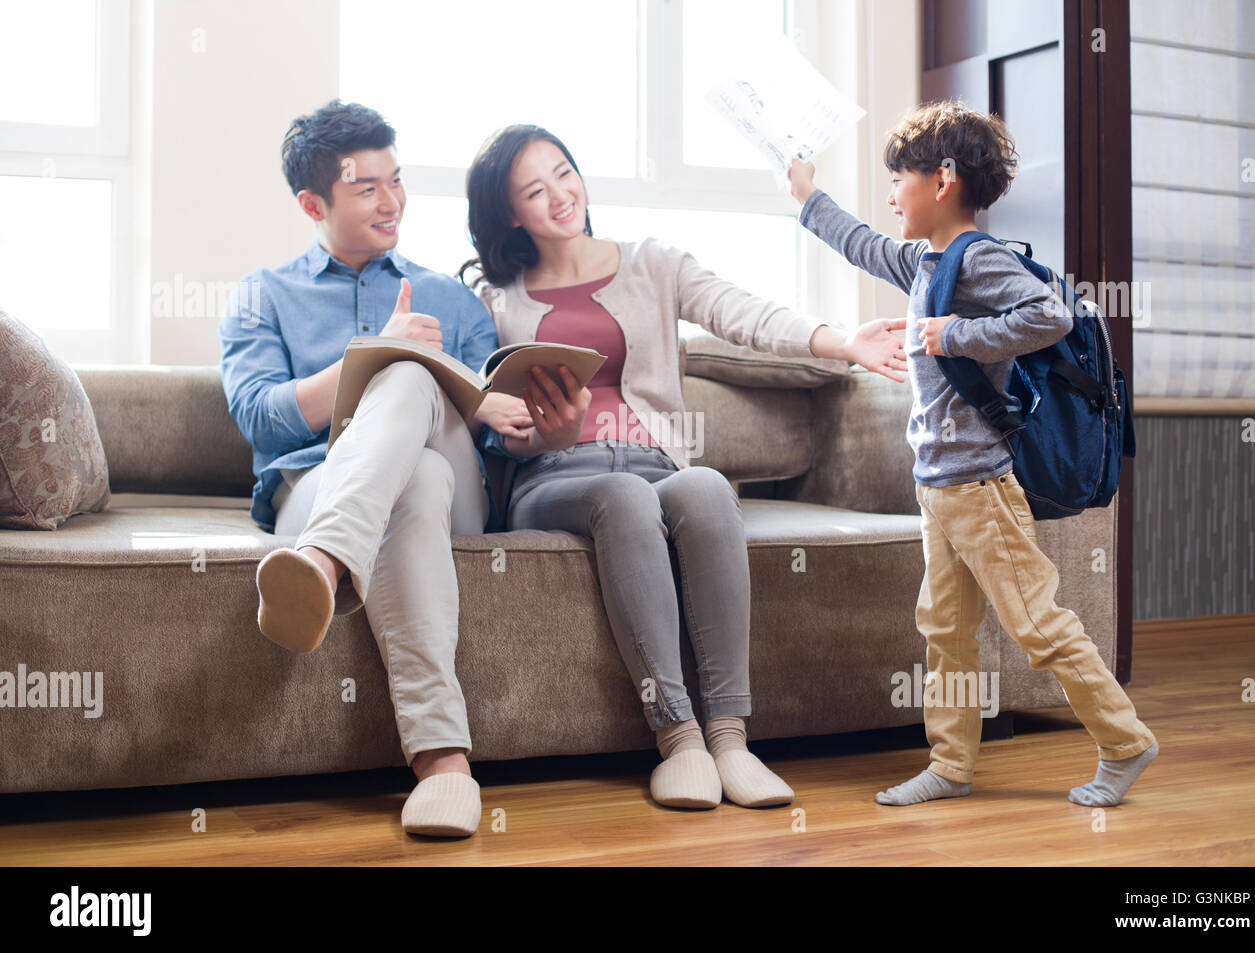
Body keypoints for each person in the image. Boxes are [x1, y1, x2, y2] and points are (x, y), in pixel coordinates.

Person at [460, 124, 909, 810]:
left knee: (703, 487)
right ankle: (679, 739)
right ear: (509, 213)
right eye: (534, 189)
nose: (559, 195)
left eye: (564, 172)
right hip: (553, 477)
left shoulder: (653, 263)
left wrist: (840, 342)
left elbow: (741, 314)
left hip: (654, 463)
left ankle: (730, 739)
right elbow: (487, 418)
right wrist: (537, 432)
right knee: (624, 497)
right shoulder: (494, 299)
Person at [789, 99, 1158, 807]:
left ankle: (1125, 742)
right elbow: (859, 242)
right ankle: (952, 764)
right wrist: (807, 195)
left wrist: (955, 335)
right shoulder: (924, 262)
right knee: (946, 631)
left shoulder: (978, 261)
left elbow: (1050, 314)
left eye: (900, 178)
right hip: (940, 488)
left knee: (1037, 624)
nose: (891, 194)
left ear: (943, 179)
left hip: (981, 488)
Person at [218, 100, 559, 838]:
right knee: (416, 472)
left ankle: (320, 563)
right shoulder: (262, 295)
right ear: (312, 203)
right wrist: (369, 350)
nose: (391, 200)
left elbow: (495, 446)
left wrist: (517, 423)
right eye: (367, 187)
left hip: (451, 488)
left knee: (411, 386)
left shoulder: (450, 296)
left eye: (396, 180)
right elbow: (260, 417)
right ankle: (444, 764)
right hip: (315, 484)